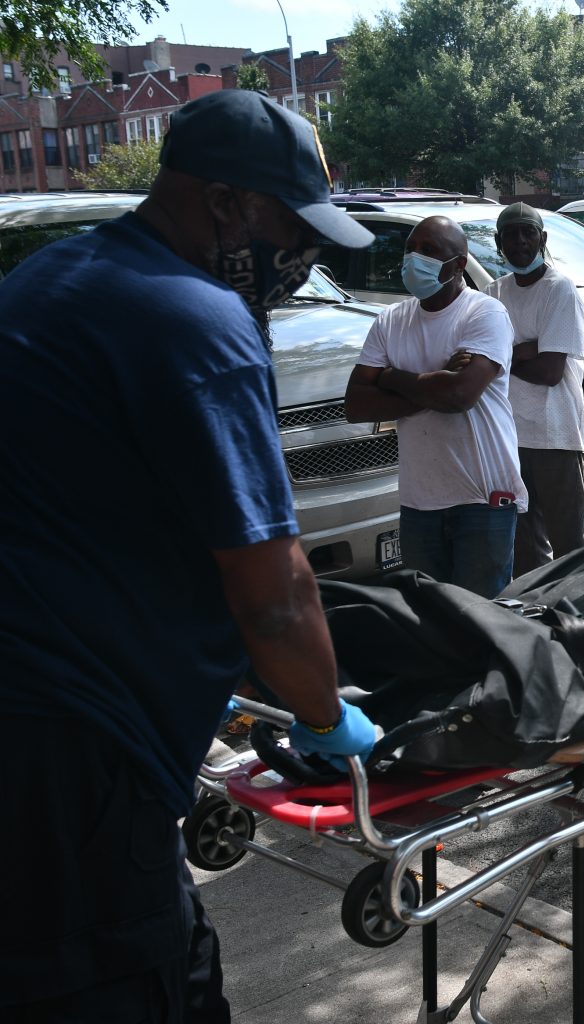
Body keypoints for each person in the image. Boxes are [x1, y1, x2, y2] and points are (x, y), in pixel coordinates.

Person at [0, 89, 379, 1023]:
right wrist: (326, 718)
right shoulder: (197, 321)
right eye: (295, 231)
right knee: (138, 986)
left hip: (34, 717)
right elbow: (275, 597)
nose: (305, 257)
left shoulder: (52, 276)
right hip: (72, 755)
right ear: (223, 204)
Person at [344, 216, 525, 598]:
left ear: (458, 265)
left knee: (480, 617)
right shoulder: (390, 320)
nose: (414, 258)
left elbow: (458, 397)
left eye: (428, 251)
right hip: (419, 501)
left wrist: (390, 377)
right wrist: (434, 380)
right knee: (429, 616)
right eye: (410, 248)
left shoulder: (485, 313)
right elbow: (356, 405)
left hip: (482, 497)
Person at [484, 202, 584, 576]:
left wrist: (503, 356)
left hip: (556, 434)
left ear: (542, 238)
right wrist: (525, 349)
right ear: (498, 242)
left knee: (571, 547)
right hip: (508, 435)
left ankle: (578, 608)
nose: (519, 241)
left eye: (527, 233)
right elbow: (479, 359)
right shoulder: (493, 293)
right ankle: (535, 608)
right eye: (510, 234)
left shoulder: (559, 290)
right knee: (524, 546)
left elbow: (550, 371)